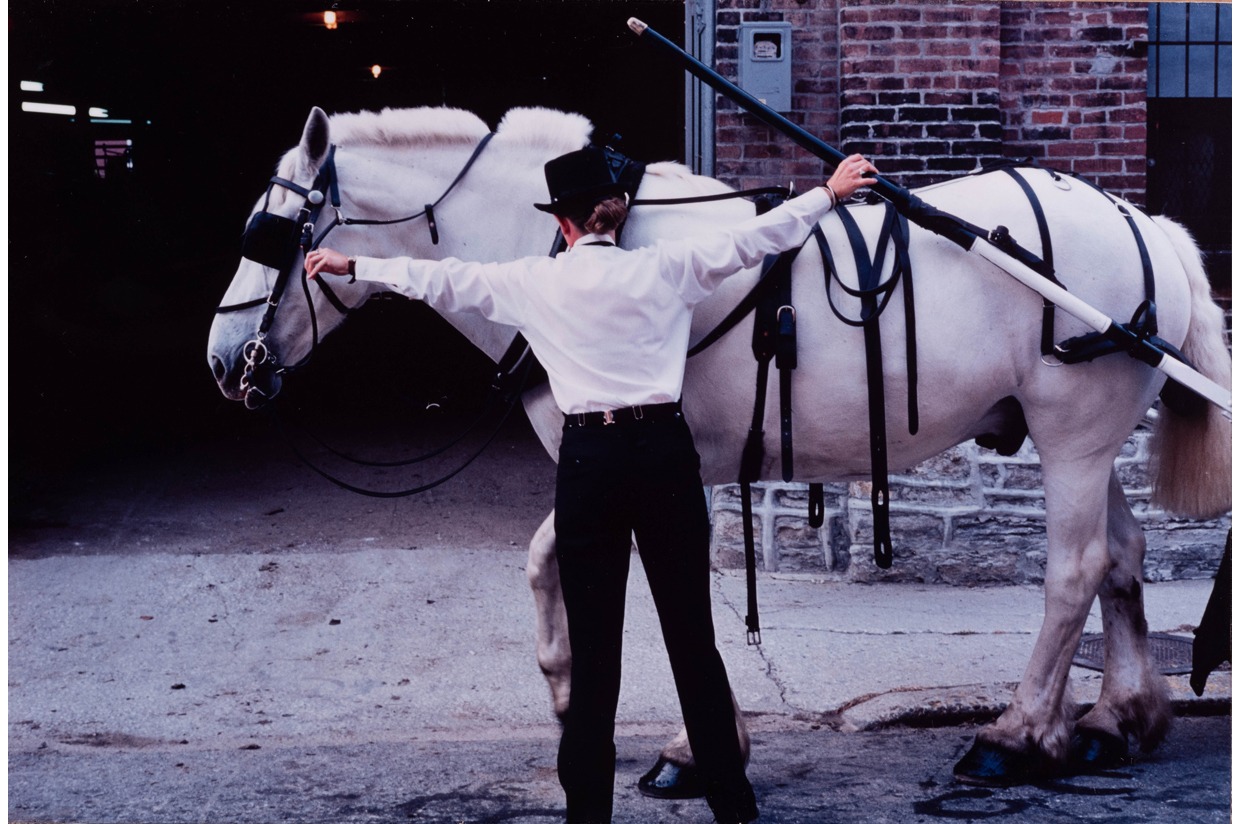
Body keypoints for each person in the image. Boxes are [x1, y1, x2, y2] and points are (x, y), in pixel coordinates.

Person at [306, 147, 877, 824]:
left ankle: (588, 816)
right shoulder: (667, 267)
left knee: (596, 649)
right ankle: (732, 804)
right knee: (692, 639)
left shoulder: (532, 281)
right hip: (664, 454)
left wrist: (352, 265)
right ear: (615, 214)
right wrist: (829, 192)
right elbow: (759, 236)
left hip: (590, 461)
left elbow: (437, 279)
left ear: (564, 224)